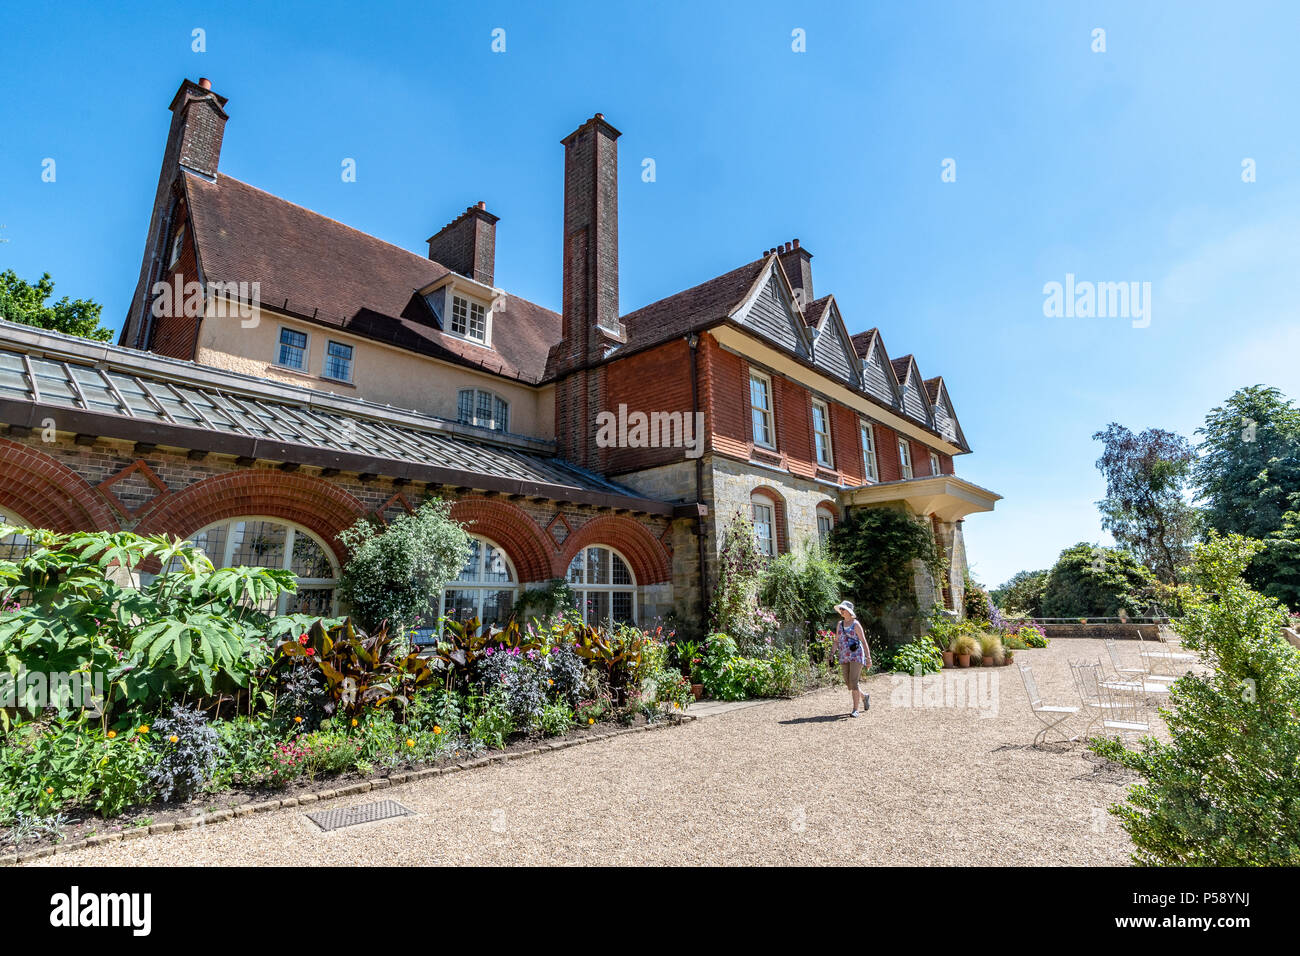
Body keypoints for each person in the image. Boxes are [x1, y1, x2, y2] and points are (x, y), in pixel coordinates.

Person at [833, 600, 871, 717]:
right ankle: (864, 696)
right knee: (849, 683)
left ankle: (855, 710)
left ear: (849, 611)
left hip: (856, 655)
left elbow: (863, 642)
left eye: (843, 609)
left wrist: (868, 658)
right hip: (844, 656)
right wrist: (831, 653)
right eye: (840, 609)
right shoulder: (839, 624)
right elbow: (837, 640)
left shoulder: (856, 624)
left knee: (854, 682)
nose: (841, 611)